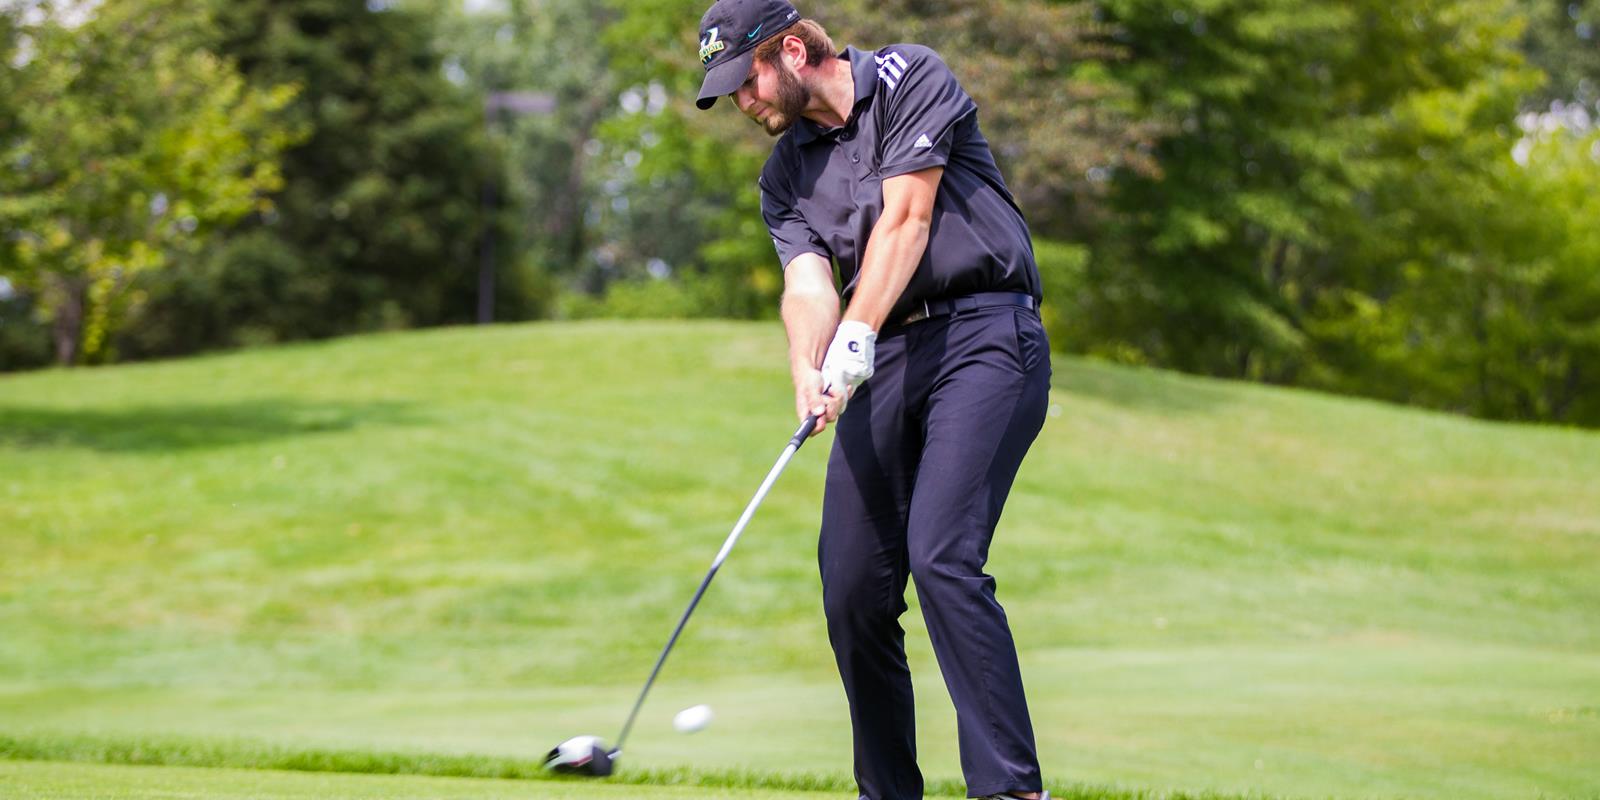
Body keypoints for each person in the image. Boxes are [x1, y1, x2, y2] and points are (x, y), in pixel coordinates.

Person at [694, 2, 1052, 798]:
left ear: (791, 49)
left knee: (941, 556)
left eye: (745, 80)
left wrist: (855, 330)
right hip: (883, 358)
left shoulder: (907, 76)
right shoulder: (783, 174)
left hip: (985, 336)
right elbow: (806, 283)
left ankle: (1011, 789)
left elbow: (908, 217)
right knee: (852, 585)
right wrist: (809, 368)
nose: (743, 103)